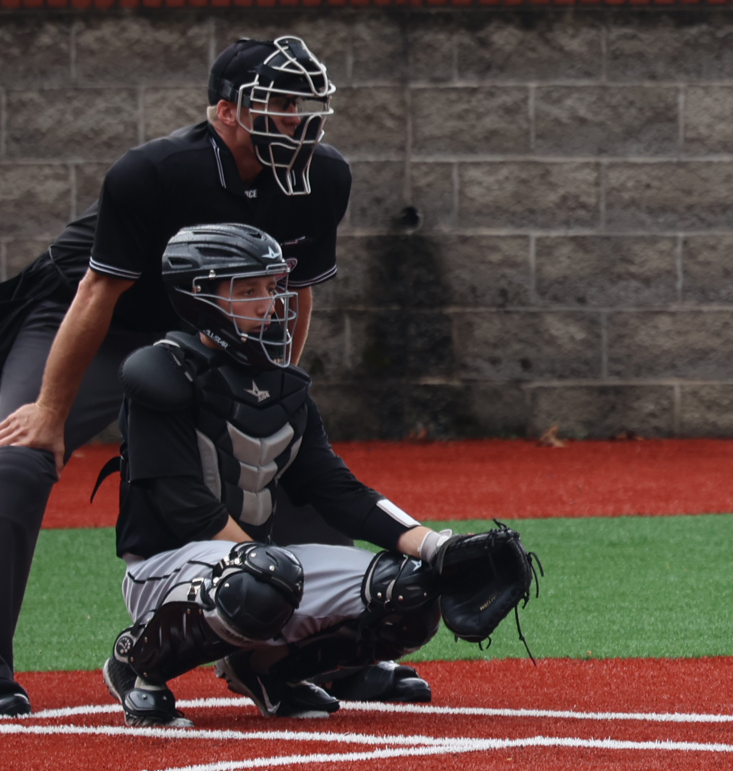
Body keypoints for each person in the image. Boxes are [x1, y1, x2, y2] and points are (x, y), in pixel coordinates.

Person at [0, 36, 422, 717]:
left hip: (220, 328)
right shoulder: (155, 171)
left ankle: (314, 653)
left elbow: (294, 290)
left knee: (283, 447)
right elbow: (98, 291)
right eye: (277, 105)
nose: (297, 119)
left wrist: (273, 398)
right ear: (225, 112)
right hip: (102, 316)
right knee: (17, 461)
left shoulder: (323, 176)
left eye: (305, 105)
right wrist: (48, 413)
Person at [104, 223, 491, 726]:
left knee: (411, 591)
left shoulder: (283, 385)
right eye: (248, 290)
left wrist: (435, 547)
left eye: (270, 287)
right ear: (199, 296)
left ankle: (267, 670)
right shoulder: (160, 373)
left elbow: (337, 490)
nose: (268, 304)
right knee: (262, 577)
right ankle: (138, 666)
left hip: (253, 566)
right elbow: (185, 508)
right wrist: (262, 572)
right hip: (166, 568)